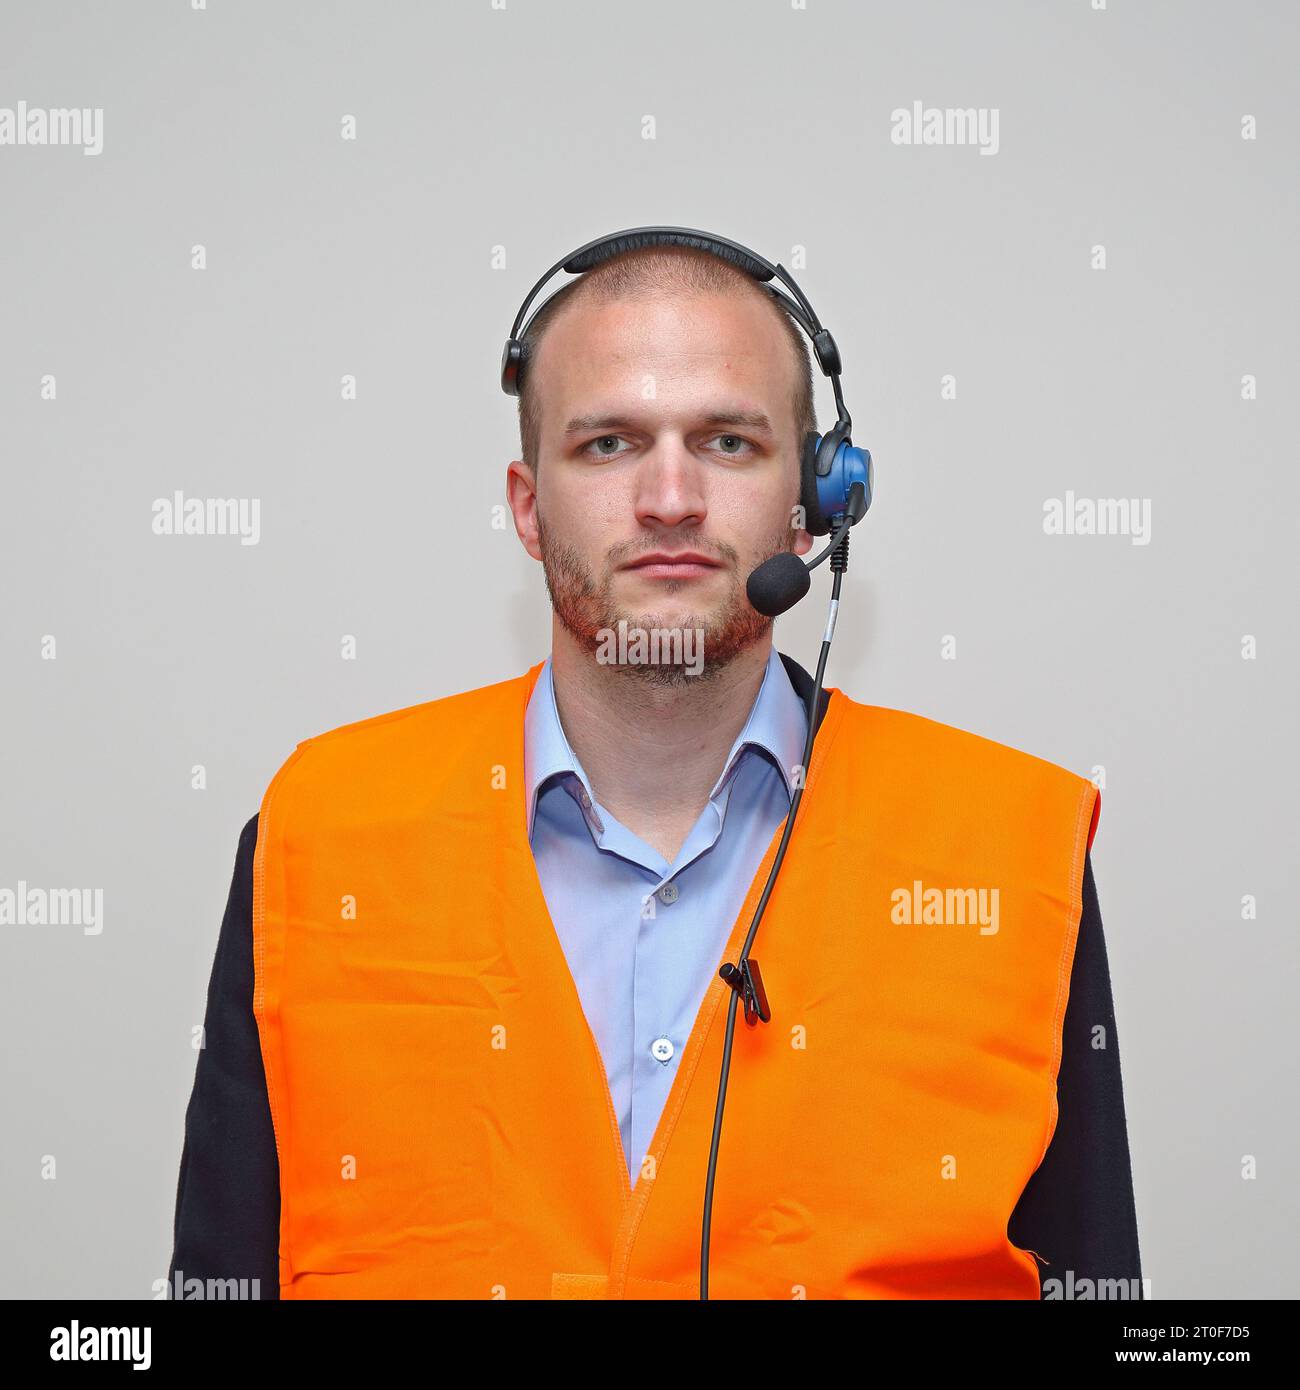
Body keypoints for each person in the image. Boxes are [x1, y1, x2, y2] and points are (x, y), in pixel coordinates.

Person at [168, 233, 1142, 1300]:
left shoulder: (1005, 847)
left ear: (813, 503)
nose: (669, 498)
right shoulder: (321, 832)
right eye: (608, 445)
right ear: (528, 508)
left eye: (727, 442)